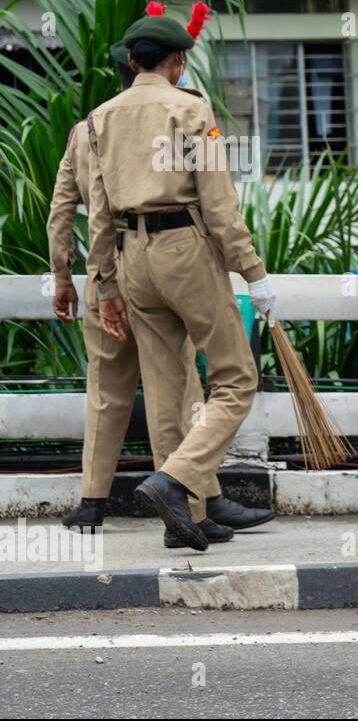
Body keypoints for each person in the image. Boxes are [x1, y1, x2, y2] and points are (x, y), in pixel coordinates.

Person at [51, 42, 270, 539]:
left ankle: (180, 517)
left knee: (153, 389)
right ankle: (178, 482)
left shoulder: (96, 121)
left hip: (127, 261)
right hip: (184, 251)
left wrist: (95, 280)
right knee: (234, 379)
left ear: (132, 63)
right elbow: (219, 205)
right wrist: (252, 272)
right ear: (179, 62)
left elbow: (87, 211)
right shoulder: (190, 108)